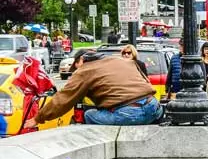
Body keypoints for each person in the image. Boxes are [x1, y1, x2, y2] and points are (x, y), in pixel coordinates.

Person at [30, 49, 159, 127]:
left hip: (129, 114)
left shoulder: (85, 70)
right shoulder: (121, 60)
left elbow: (64, 99)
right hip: (154, 106)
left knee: (90, 114)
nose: (76, 70)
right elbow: (145, 82)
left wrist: (38, 118)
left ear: (82, 60)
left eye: (76, 65)